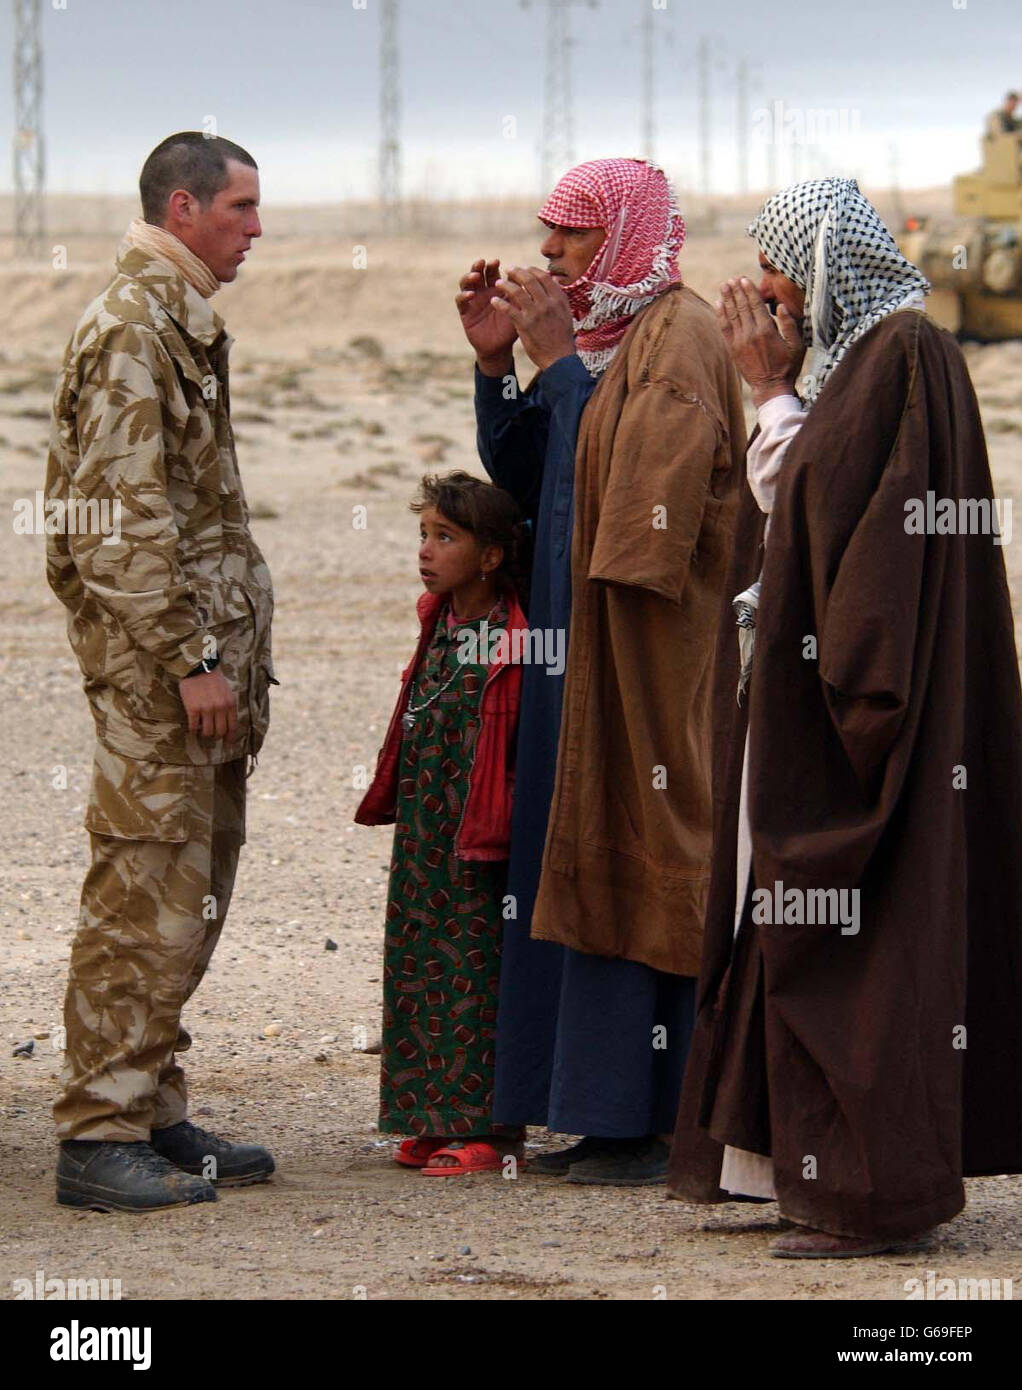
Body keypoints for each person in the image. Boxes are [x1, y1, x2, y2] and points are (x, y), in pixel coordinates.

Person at [668, 176, 1022, 1256]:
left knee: (860, 941)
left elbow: (838, 522)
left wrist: (770, 397)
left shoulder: (902, 358)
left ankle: (871, 1197)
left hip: (876, 719)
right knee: (784, 921)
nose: (764, 291)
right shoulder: (870, 359)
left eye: (776, 266)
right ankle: (789, 1166)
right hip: (829, 692)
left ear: (821, 266)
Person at [457, 158, 746, 1186]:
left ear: (620, 238)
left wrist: (560, 371)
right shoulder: (606, 344)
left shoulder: (676, 344)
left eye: (571, 236)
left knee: (631, 855)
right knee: (565, 857)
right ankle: (582, 1103)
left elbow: (635, 529)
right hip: (575, 665)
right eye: (547, 234)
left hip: (640, 673)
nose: (548, 255)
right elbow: (544, 485)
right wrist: (502, 370)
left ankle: (639, 1115)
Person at [46, 133, 276, 1212]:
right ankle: (98, 1129)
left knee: (192, 887)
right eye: (238, 208)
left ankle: (152, 1100)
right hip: (160, 676)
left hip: (197, 667)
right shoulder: (134, 329)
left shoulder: (177, 321)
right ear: (181, 208)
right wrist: (188, 657)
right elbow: (114, 525)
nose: (255, 228)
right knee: (142, 888)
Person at [355, 472, 530, 1174]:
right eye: (423, 535)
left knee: (475, 971)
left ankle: (488, 1130)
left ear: (490, 556)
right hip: (425, 831)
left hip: (480, 836)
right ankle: (429, 1118)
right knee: (417, 962)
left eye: (445, 537)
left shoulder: (515, 633)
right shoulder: (438, 619)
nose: (426, 550)